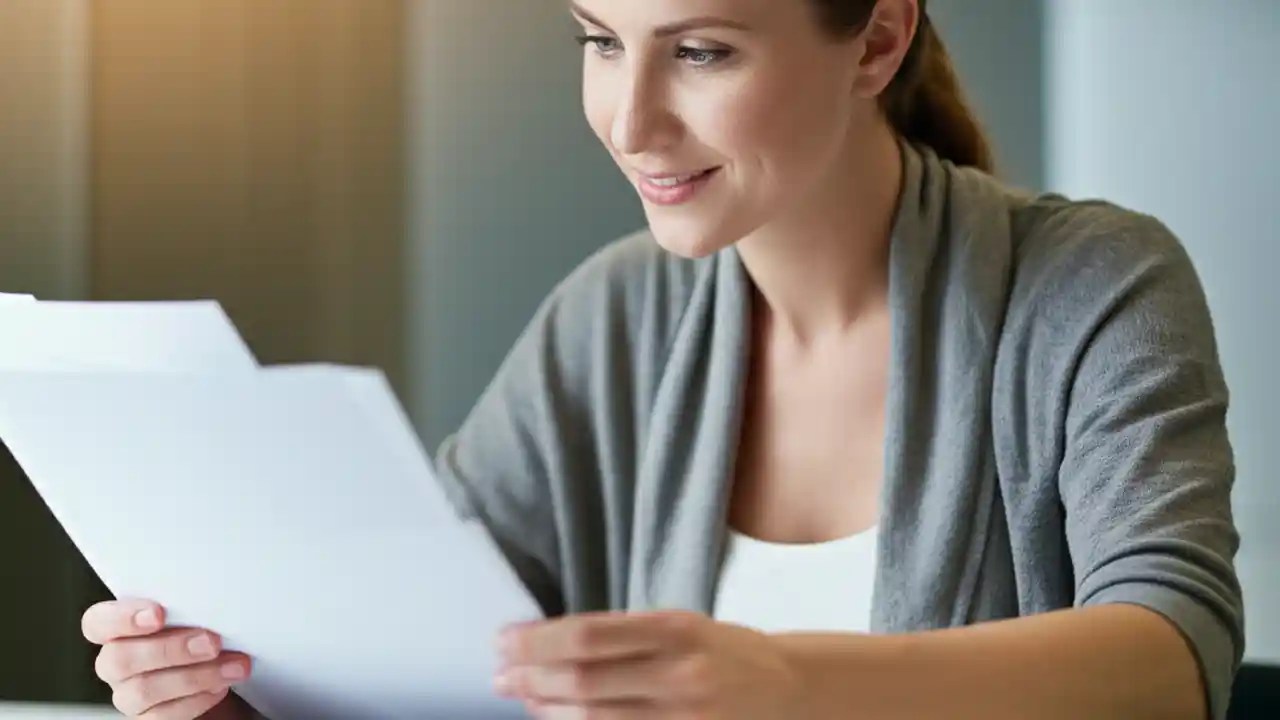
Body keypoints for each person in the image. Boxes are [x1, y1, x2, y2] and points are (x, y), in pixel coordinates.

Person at [79, 0, 1245, 718]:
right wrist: (231, 694)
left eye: (697, 51)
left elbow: (1167, 663)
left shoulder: (1088, 282)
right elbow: (439, 666)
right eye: (599, 41)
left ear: (877, 39)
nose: (629, 120)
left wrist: (788, 686)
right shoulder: (610, 319)